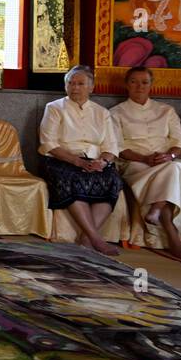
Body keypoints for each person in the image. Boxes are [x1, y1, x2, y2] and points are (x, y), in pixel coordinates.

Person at [38, 65, 124, 255]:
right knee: (73, 180)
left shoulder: (102, 113)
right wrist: (77, 162)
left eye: (80, 84)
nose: (75, 87)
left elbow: (111, 146)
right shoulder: (54, 108)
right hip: (61, 159)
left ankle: (86, 240)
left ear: (91, 87)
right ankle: (96, 239)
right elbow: (48, 143)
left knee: (112, 180)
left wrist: (102, 162)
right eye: (71, 83)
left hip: (95, 160)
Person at [110, 67, 181, 264]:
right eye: (134, 82)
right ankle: (173, 237)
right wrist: (144, 158)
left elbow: (179, 143)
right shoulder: (115, 112)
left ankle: (157, 211)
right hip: (136, 164)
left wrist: (169, 155)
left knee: (176, 167)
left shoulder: (166, 110)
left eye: (144, 82)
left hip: (167, 161)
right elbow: (118, 147)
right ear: (126, 84)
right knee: (173, 172)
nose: (139, 86)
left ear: (151, 85)